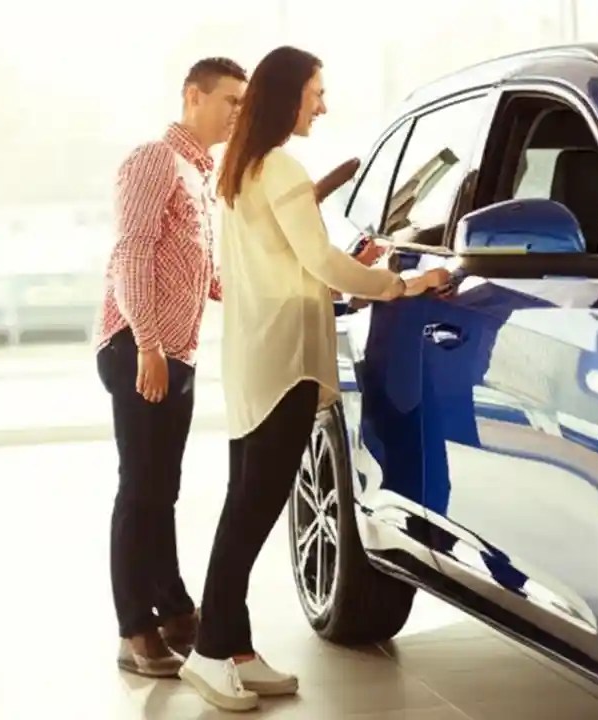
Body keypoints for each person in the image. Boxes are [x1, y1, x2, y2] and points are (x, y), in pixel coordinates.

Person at [178, 46, 451, 711]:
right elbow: (321, 259)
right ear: (289, 96)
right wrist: (402, 283)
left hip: (255, 357)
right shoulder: (282, 167)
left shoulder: (245, 170)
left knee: (243, 503)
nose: (323, 104)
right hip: (286, 362)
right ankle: (211, 654)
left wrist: (351, 272)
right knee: (250, 513)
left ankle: (235, 647)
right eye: (316, 92)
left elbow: (299, 260)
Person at [94, 57, 248, 678]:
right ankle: (134, 629)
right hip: (140, 348)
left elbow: (199, 275)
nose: (238, 113)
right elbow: (129, 254)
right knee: (140, 490)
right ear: (194, 97)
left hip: (172, 352)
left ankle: (175, 608)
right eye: (230, 100)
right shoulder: (155, 160)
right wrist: (149, 347)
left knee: (163, 490)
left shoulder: (198, 173)